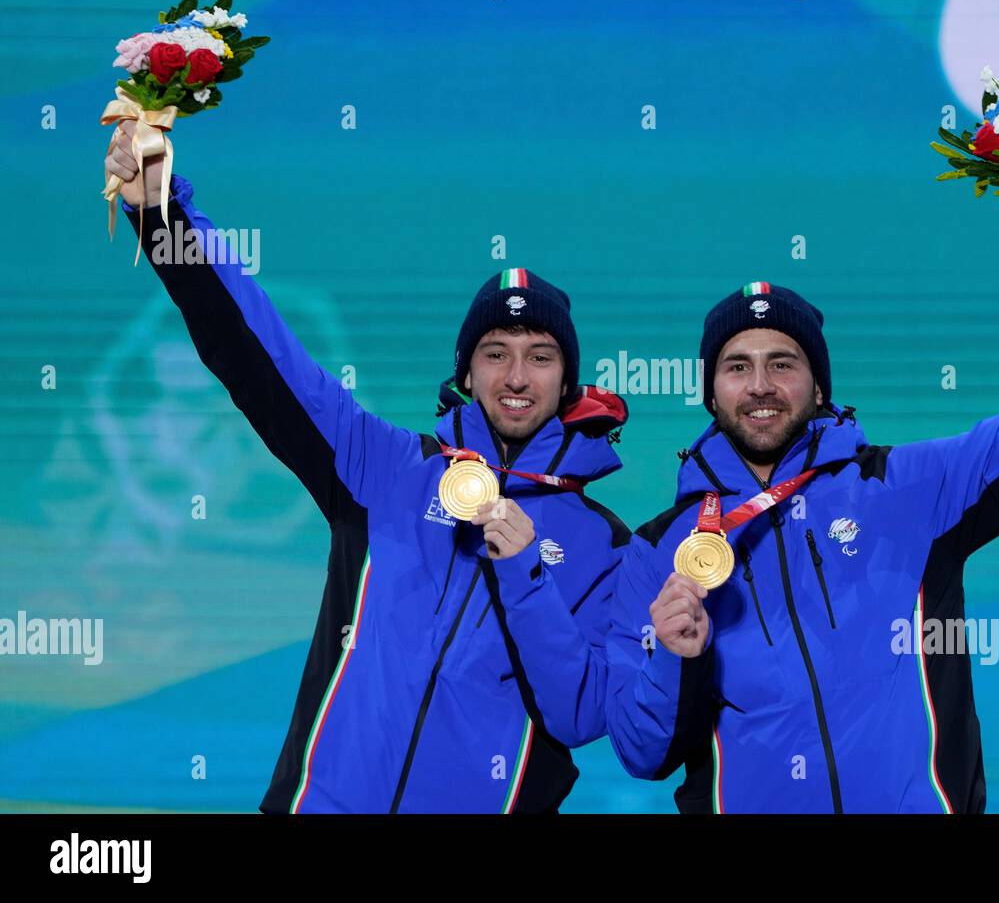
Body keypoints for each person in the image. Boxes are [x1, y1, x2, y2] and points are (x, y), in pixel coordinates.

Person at [105, 121, 628, 813]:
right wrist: (161, 213)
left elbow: (585, 715)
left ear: (568, 383)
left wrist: (526, 572)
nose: (516, 376)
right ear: (466, 373)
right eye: (495, 351)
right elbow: (254, 346)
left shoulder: (609, 544)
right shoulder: (384, 468)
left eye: (541, 355)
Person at [605, 193, 999, 812]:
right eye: (736, 366)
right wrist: (674, 659)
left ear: (820, 383)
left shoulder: (908, 489)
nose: (760, 386)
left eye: (783, 363)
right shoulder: (657, 552)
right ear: (711, 393)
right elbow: (643, 754)